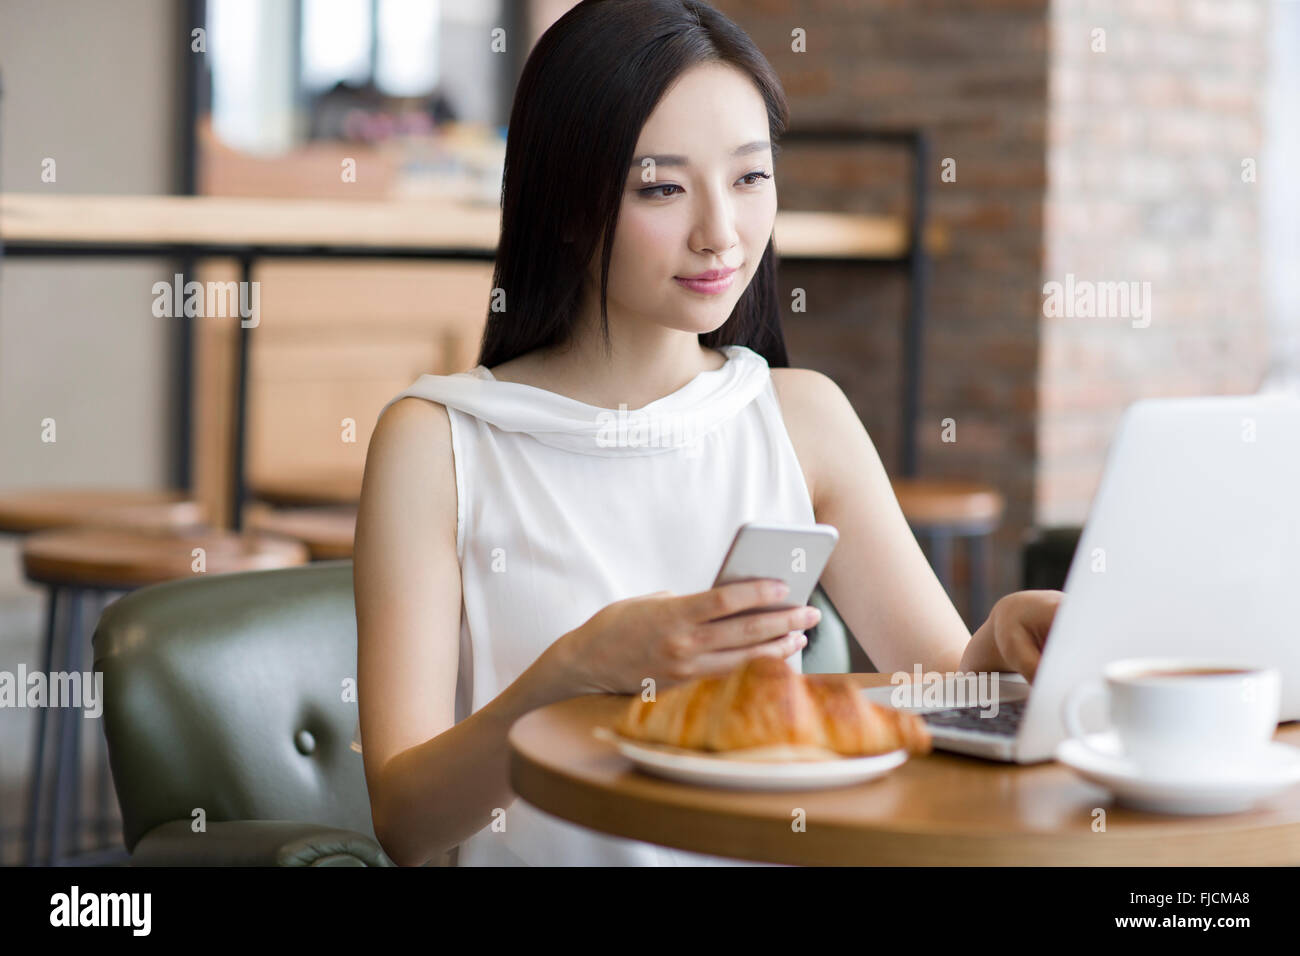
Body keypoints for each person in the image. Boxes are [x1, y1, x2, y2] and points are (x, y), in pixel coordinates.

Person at [352, 0, 1063, 867]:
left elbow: (946, 691)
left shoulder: (802, 417)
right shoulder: (438, 444)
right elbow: (406, 821)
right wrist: (571, 671)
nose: (720, 234)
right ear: (568, 205)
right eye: (661, 186)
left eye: (750, 177)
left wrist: (1002, 646)